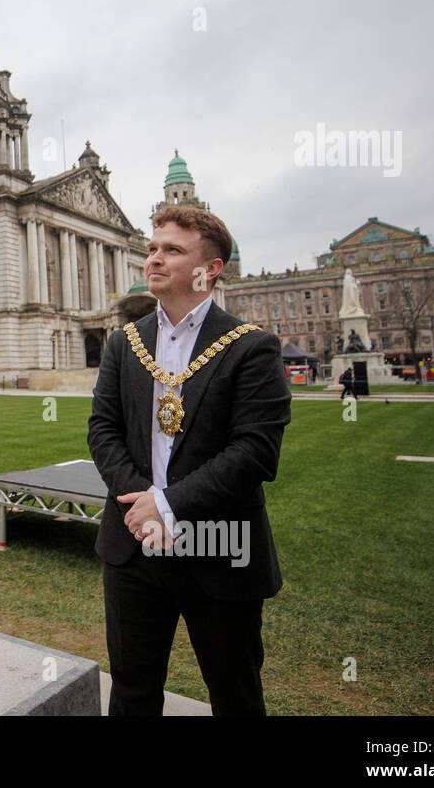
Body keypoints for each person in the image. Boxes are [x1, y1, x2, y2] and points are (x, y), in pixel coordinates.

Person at [88, 205, 291, 715]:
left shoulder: (253, 348)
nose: (154, 259)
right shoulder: (124, 342)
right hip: (133, 543)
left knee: (235, 694)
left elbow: (254, 453)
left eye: (172, 250)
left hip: (219, 547)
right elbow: (103, 431)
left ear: (210, 269)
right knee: (132, 692)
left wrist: (168, 505)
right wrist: (142, 503)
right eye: (153, 248)